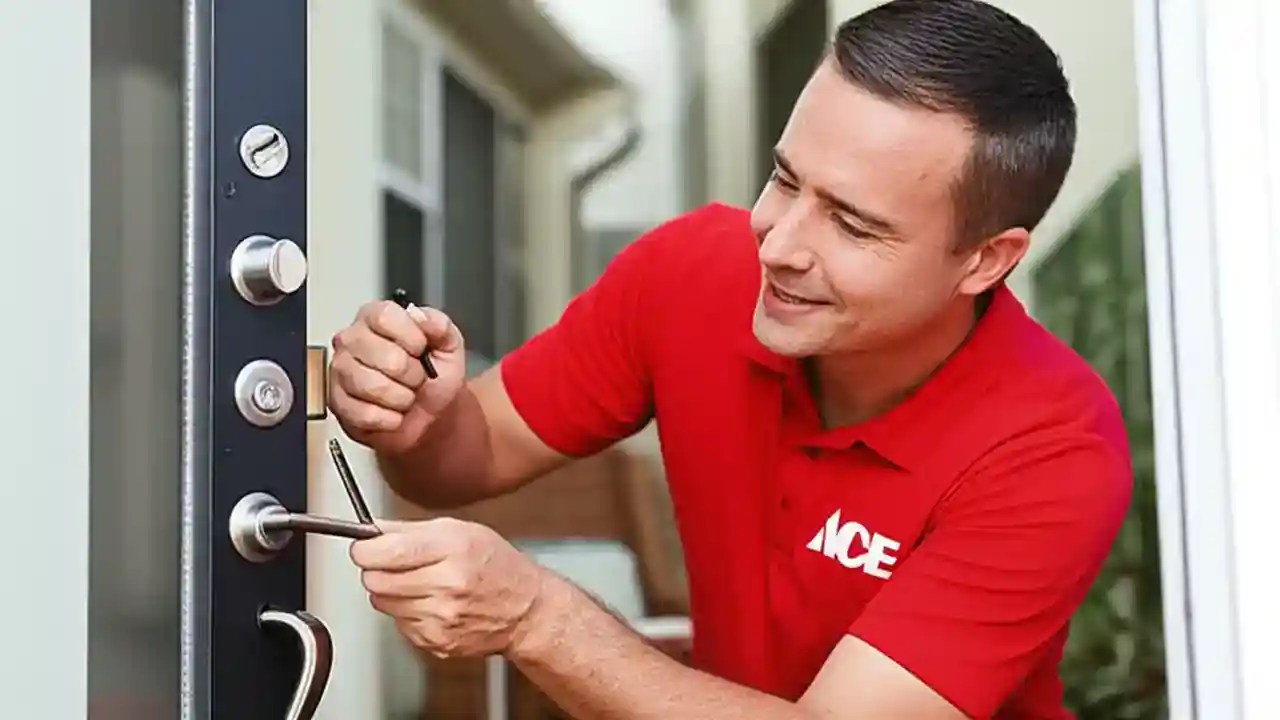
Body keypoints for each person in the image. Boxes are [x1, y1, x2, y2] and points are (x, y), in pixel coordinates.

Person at [328, 1, 1132, 717]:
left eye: (852, 226)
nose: (779, 245)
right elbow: (463, 458)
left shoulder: (1052, 451)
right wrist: (413, 416)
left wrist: (540, 617)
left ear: (985, 260)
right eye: (784, 179)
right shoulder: (693, 274)